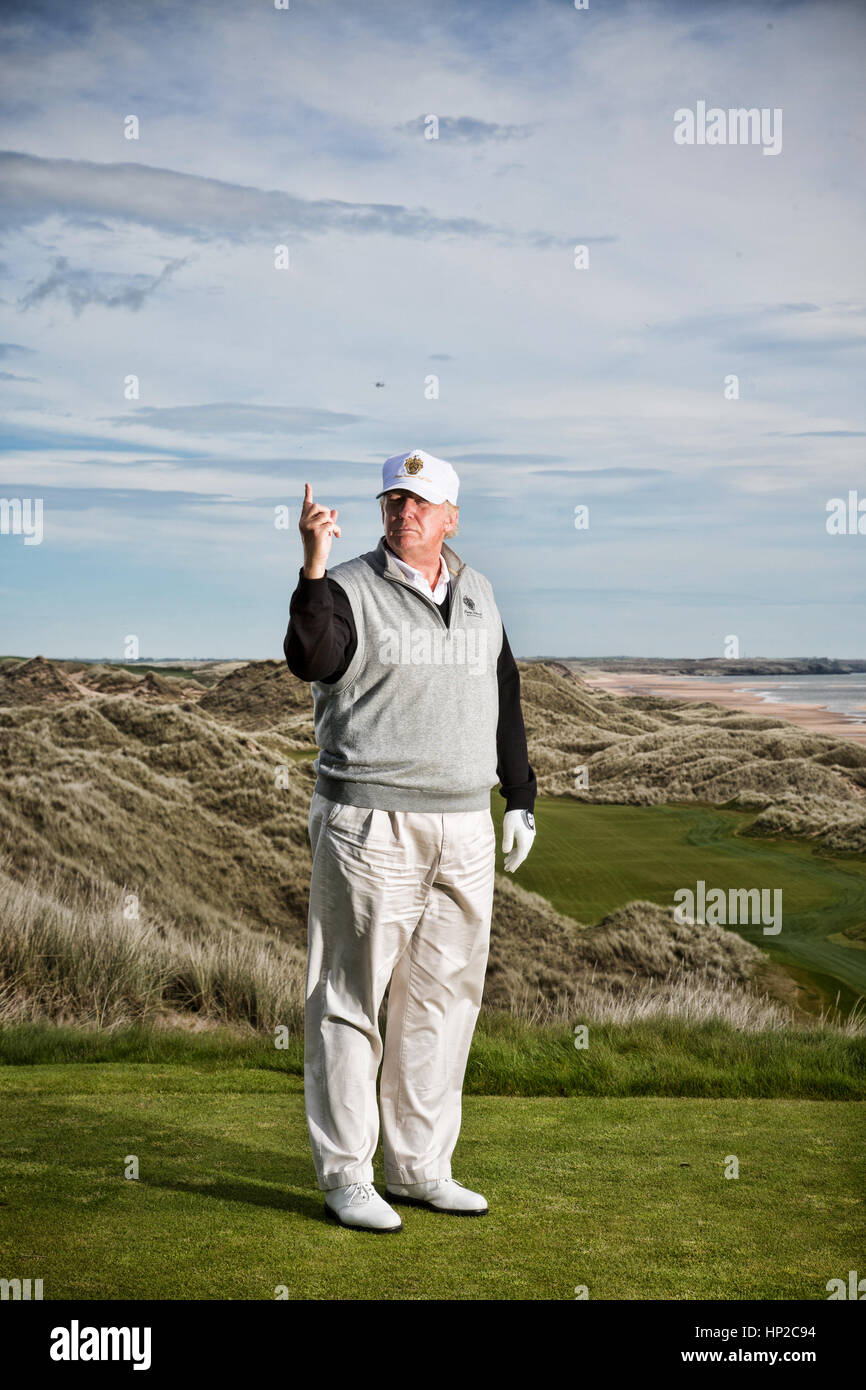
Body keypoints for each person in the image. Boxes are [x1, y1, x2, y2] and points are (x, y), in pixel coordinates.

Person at [283, 448, 537, 1233]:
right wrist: (314, 565)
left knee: (441, 1002)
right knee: (350, 999)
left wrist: (519, 796)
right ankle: (348, 1177)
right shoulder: (348, 588)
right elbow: (311, 657)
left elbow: (504, 696)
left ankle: (422, 1169)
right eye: (395, 499)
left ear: (450, 516)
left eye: (421, 502)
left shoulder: (482, 594)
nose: (405, 512)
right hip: (369, 820)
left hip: (463, 823)